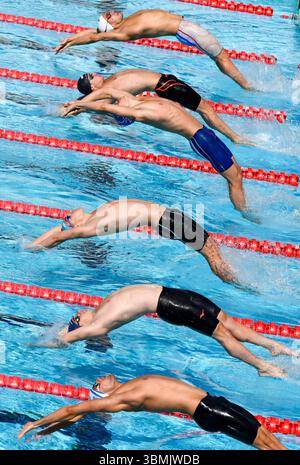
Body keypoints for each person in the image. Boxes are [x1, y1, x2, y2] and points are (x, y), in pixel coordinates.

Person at [63, 92, 254, 220]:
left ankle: (243, 207)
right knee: (234, 180)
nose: (117, 102)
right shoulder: (138, 110)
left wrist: (83, 101)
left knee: (237, 173)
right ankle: (244, 215)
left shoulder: (134, 99)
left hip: (205, 134)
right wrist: (80, 104)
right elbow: (106, 107)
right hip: (200, 139)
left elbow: (109, 93)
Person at [58, 284, 296, 377]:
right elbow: (72, 337)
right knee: (223, 335)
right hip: (171, 306)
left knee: (229, 323)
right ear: (84, 326)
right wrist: (60, 337)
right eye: (76, 318)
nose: (78, 311)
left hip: (177, 294)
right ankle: (263, 366)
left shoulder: (102, 305)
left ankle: (273, 346)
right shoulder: (100, 322)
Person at [18, 373, 287, 450]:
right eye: (96, 385)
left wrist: (49, 429)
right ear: (103, 395)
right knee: (268, 444)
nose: (98, 378)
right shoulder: (119, 399)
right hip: (208, 411)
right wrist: (36, 424)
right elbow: (73, 410)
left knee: (269, 440)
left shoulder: (127, 384)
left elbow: (74, 417)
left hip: (214, 404)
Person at [26, 199, 238, 285]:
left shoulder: (94, 215)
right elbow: (57, 236)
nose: (67, 215)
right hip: (168, 220)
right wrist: (30, 249)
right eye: (67, 220)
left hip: (167, 218)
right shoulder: (90, 227)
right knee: (211, 255)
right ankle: (240, 283)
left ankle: (235, 276)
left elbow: (58, 233)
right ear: (76, 227)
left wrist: (34, 243)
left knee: (212, 250)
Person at [54, 9, 252, 91]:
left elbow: (94, 31)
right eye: (109, 15)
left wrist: (70, 38)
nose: (113, 12)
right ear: (110, 24)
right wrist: (72, 43)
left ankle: (244, 82)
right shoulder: (122, 32)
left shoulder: (123, 22)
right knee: (221, 57)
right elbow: (95, 36)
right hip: (185, 30)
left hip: (186, 27)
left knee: (220, 58)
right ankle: (247, 87)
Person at [72, 69, 248, 145]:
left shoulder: (108, 86)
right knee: (205, 109)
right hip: (166, 86)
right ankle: (234, 137)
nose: (94, 73)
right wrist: (74, 107)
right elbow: (96, 105)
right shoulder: (106, 93)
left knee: (201, 110)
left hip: (164, 85)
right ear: (93, 88)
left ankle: (231, 135)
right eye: (91, 76)